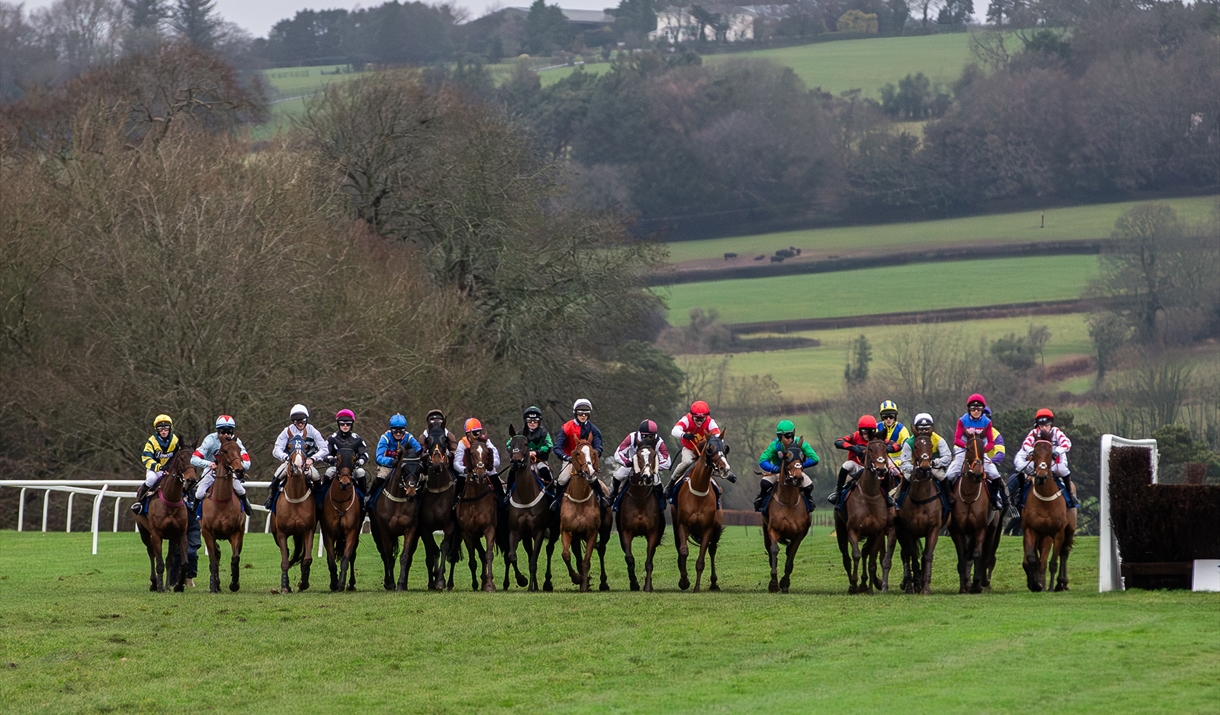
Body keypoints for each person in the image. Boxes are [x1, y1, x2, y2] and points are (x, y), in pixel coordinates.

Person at [945, 394, 1004, 511]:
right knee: (950, 474)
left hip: (980, 450)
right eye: (973, 408)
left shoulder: (987, 422)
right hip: (964, 449)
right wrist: (968, 447)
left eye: (979, 409)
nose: (976, 411)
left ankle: (994, 498)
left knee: (995, 474)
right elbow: (956, 439)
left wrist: (982, 451)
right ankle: (948, 498)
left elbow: (991, 442)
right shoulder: (962, 420)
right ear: (969, 409)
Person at [265, 404, 329, 509]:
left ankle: (319, 501)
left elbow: (324, 448)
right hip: (290, 462)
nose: (300, 424)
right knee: (277, 475)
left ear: (306, 420)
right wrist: (286, 457)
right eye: (297, 421)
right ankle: (271, 497)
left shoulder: (312, 430)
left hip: (306, 463)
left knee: (316, 476)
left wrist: (313, 458)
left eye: (302, 421)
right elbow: (276, 449)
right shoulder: (287, 431)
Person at [1013, 408, 1078, 509]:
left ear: (1051, 424)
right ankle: (1021, 493)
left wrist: (1057, 452)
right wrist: (1031, 451)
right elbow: (1025, 443)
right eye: (1041, 425)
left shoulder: (1056, 432)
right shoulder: (1034, 432)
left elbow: (1067, 443)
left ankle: (1070, 494)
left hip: (1054, 461)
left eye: (1046, 425)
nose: (1044, 428)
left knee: (1063, 470)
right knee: (1020, 468)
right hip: (1038, 463)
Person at [829, 415, 899, 510]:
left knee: (885, 470)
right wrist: (853, 448)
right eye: (863, 430)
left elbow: (897, 445)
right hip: (856, 466)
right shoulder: (855, 436)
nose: (866, 433)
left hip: (873, 468)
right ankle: (838, 491)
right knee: (846, 465)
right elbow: (838, 442)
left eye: (870, 430)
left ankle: (887, 496)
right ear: (860, 430)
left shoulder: (876, 438)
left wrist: (887, 448)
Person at [191, 415, 253, 515]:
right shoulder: (210, 440)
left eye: (229, 432)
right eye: (223, 431)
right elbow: (194, 459)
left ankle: (246, 508)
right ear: (218, 431)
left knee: (240, 490)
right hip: (211, 471)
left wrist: (237, 466)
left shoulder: (236, 442)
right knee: (199, 493)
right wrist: (209, 464)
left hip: (229, 471)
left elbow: (247, 463)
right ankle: (195, 515)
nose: (226, 435)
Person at [551, 399, 605, 511]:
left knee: (593, 478)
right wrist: (566, 457)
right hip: (570, 460)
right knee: (561, 480)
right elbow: (557, 447)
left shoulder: (594, 429)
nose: (583, 415)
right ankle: (556, 502)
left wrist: (594, 456)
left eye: (586, 413)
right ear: (575, 413)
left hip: (587, 460)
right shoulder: (566, 427)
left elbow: (599, 447)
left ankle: (603, 500)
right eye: (580, 413)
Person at [754, 419, 819, 512]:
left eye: (791, 436)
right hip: (778, 471)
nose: (789, 439)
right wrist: (774, 468)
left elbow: (815, 458)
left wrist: (798, 466)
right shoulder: (775, 445)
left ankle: (809, 502)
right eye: (786, 436)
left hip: (794, 471)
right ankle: (761, 500)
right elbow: (762, 460)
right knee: (765, 484)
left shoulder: (800, 443)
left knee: (809, 486)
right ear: (779, 437)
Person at [664, 400, 722, 498]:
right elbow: (674, 431)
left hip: (704, 450)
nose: (699, 422)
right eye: (697, 419)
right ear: (692, 416)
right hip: (689, 449)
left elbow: (718, 435)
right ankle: (671, 483)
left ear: (706, 417)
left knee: (717, 459)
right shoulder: (686, 419)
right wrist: (684, 435)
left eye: (702, 419)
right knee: (687, 462)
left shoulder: (710, 422)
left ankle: (725, 473)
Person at [896, 413, 953, 511]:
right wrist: (914, 468)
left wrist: (935, 463)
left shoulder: (938, 440)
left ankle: (949, 498)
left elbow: (947, 457)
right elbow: (904, 462)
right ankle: (897, 500)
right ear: (916, 429)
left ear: (931, 428)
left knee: (941, 476)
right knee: (906, 477)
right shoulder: (909, 442)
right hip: (915, 468)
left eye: (926, 429)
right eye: (921, 429)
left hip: (933, 467)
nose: (924, 431)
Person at [609, 420, 671, 507]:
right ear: (640, 433)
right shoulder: (632, 437)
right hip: (632, 465)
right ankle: (613, 496)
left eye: (651, 436)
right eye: (645, 436)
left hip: (649, 467)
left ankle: (661, 503)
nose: (648, 439)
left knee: (657, 483)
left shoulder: (659, 441)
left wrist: (652, 466)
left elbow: (667, 461)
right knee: (618, 475)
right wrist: (628, 462)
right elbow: (618, 453)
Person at [132, 414, 180, 514]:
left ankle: (189, 502)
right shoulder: (152, 441)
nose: (163, 431)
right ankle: (140, 502)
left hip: (170, 470)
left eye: (166, 428)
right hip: (155, 470)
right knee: (151, 479)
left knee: (180, 480)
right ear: (157, 430)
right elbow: (146, 458)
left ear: (170, 428)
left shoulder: (175, 440)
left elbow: (179, 456)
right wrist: (160, 467)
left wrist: (172, 467)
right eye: (160, 429)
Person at [324, 409, 370, 499]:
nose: (345, 426)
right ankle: (321, 499)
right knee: (329, 472)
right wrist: (331, 460)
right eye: (342, 424)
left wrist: (360, 462)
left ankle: (365, 498)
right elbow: (325, 453)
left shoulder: (357, 439)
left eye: (348, 424)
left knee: (361, 472)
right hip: (337, 468)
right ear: (338, 424)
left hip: (353, 468)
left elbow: (365, 454)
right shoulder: (332, 438)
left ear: (351, 425)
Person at [507, 406, 555, 494]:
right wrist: (518, 454)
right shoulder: (520, 433)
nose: (532, 423)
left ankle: (552, 495)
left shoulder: (544, 433)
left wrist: (536, 452)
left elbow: (549, 446)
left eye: (535, 421)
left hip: (540, 461)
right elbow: (509, 444)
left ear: (539, 421)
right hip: (522, 461)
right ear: (526, 421)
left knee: (545, 471)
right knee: (512, 472)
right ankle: (507, 494)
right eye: (529, 420)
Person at [454, 418, 504, 500]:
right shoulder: (462, 443)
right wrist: (464, 470)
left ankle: (502, 502)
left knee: (495, 479)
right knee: (459, 482)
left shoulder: (486, 441)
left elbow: (496, 458)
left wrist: (488, 466)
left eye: (479, 432)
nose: (478, 435)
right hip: (469, 472)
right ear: (468, 434)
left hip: (486, 470)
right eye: (475, 433)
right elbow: (456, 463)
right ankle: (455, 503)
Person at [373, 413, 423, 491]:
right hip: (388, 466)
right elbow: (379, 457)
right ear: (391, 430)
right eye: (395, 431)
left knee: (421, 478)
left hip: (405, 466)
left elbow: (419, 450)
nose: (398, 433)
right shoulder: (385, 438)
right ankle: (371, 496)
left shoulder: (409, 437)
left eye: (401, 430)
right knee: (381, 476)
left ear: (405, 430)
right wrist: (391, 461)